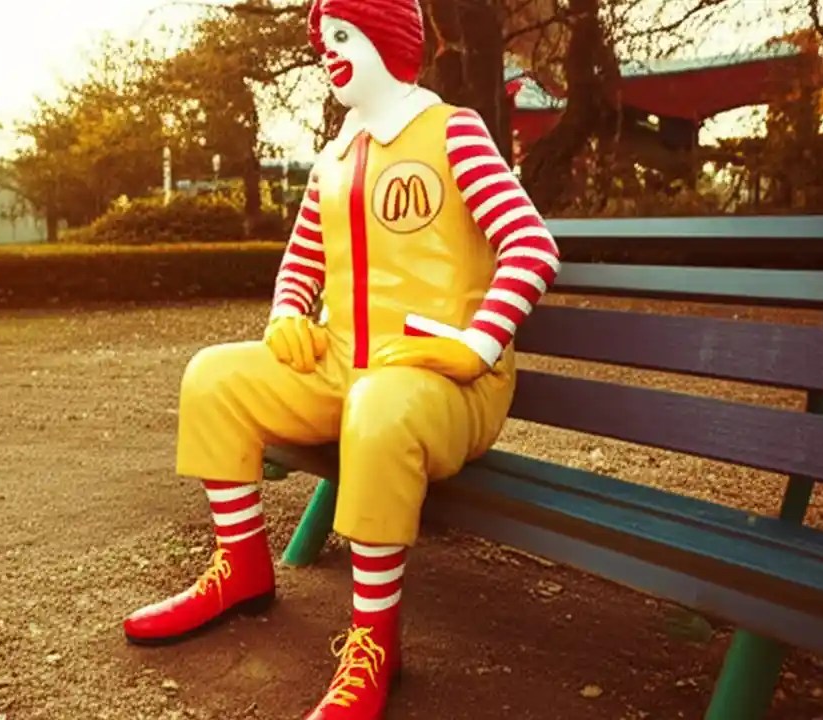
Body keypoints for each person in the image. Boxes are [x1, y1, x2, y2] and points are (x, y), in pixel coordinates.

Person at [121, 0, 561, 717]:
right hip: (345, 366)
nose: (329, 53)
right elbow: (300, 262)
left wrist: (475, 344)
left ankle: (373, 641)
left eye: (344, 36)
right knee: (214, 378)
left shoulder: (453, 132)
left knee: (380, 407)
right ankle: (242, 567)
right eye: (325, 40)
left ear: (390, 38)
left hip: (440, 382)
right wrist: (288, 316)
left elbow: (532, 247)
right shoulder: (334, 155)